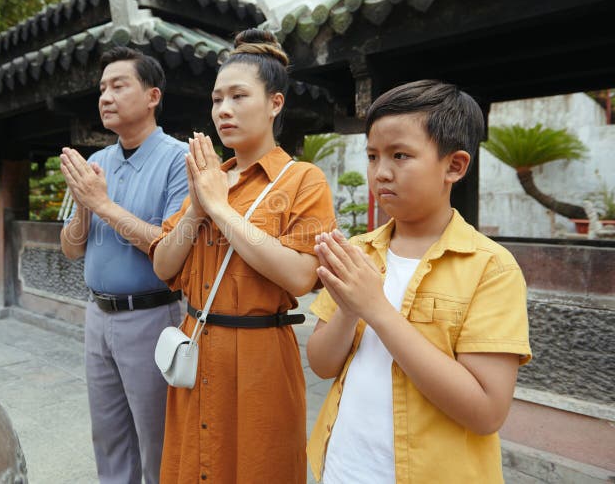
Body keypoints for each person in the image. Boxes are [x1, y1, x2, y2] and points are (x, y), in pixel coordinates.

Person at [306, 80, 532, 483]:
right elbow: (322, 364)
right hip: (342, 467)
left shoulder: (490, 268)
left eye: (400, 155)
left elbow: (486, 411)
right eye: (373, 156)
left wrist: (376, 310)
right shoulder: (360, 251)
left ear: (455, 166)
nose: (382, 173)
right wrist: (349, 309)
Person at [150, 29, 337, 483]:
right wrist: (198, 205)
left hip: (260, 358)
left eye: (238, 96)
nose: (223, 110)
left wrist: (219, 207)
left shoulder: (302, 180)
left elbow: (299, 276)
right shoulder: (209, 178)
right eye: (217, 100)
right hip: (196, 345)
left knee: (259, 466)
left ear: (275, 103)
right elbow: (163, 266)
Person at [59, 46, 188, 484]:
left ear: (152, 96)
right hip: (97, 315)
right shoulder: (95, 164)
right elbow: (72, 248)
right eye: (101, 89)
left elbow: (171, 244)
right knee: (109, 436)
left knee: (157, 439)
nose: (105, 97)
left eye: (118, 85)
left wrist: (103, 203)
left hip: (152, 315)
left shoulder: (179, 160)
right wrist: (83, 209)